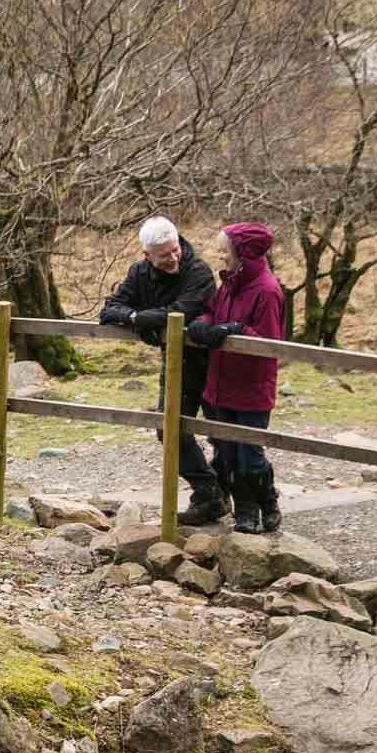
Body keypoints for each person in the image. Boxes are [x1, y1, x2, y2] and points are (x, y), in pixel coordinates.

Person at [97, 217, 224, 524]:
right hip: (176, 362)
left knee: (223, 433)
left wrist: (138, 319)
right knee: (169, 431)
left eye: (175, 249)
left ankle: (241, 500)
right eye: (164, 255)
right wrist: (139, 317)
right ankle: (208, 492)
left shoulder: (199, 271)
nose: (173, 258)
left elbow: (180, 313)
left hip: (212, 362)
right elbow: (108, 310)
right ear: (148, 256)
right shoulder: (140, 273)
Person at [184, 221, 289, 533]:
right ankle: (263, 507)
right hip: (221, 384)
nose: (220, 257)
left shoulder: (267, 292)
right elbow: (212, 312)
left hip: (251, 388)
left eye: (225, 251)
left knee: (249, 454)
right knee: (227, 451)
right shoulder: (229, 285)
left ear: (242, 253)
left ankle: (255, 509)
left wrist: (236, 330)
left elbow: (267, 342)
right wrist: (203, 323)